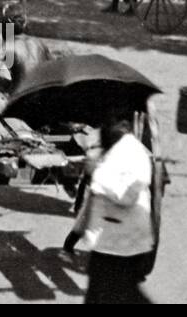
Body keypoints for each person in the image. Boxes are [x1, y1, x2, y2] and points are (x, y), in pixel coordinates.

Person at [64, 113, 155, 304]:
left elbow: (126, 196)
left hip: (122, 243)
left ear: (123, 126)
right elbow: (92, 203)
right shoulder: (112, 149)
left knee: (110, 296)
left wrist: (98, 174)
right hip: (108, 241)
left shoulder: (134, 153)